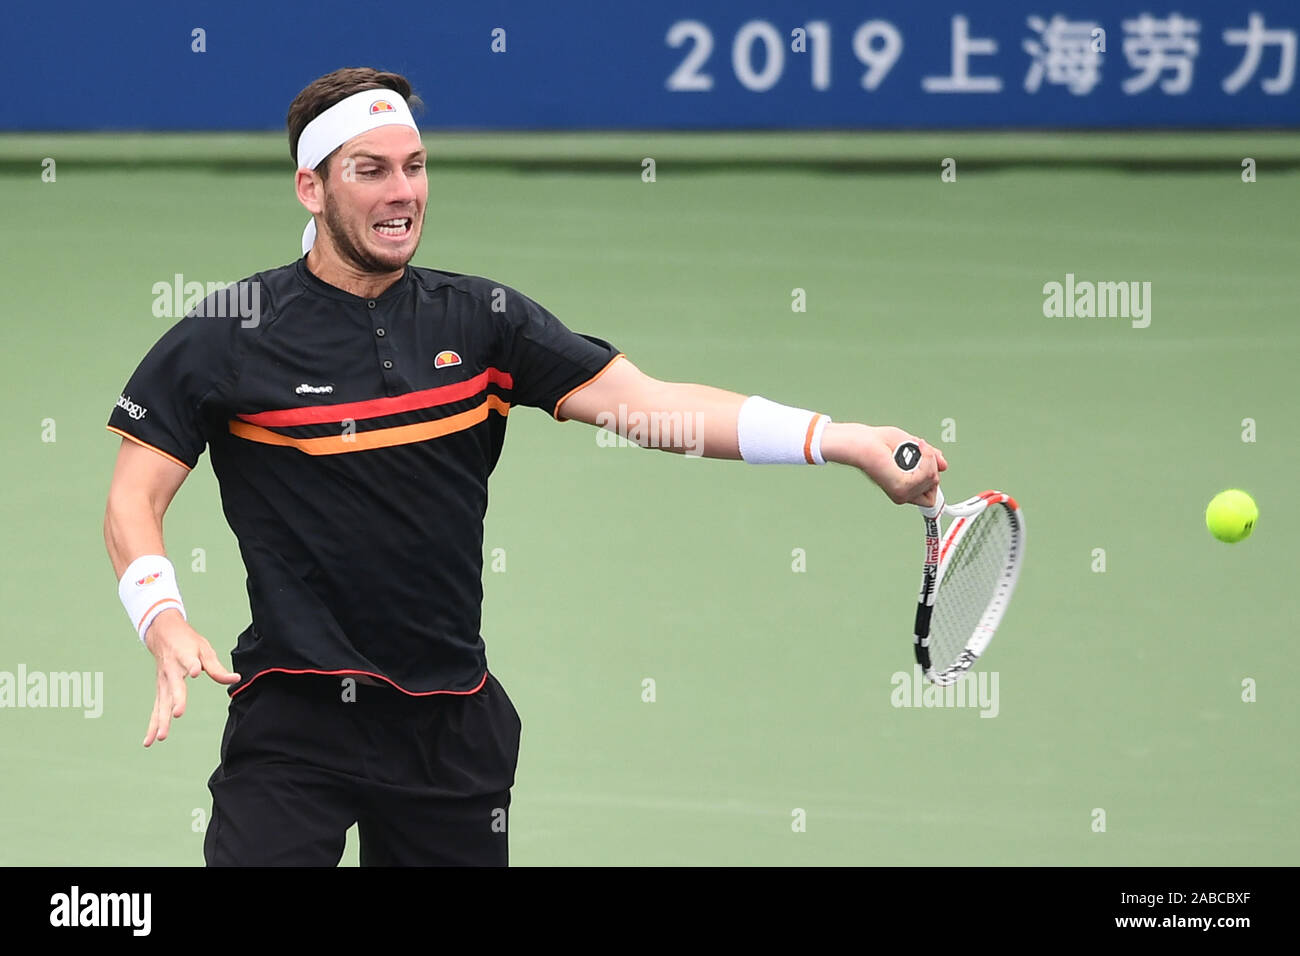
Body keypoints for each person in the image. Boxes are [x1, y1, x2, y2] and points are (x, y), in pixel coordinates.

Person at [103, 67, 945, 866]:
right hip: (294, 719)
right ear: (311, 188)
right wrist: (162, 617)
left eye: (415, 166)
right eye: (371, 171)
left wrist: (843, 439)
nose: (403, 192)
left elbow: (653, 408)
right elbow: (133, 498)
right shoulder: (230, 334)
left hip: (451, 727)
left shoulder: (484, 320)